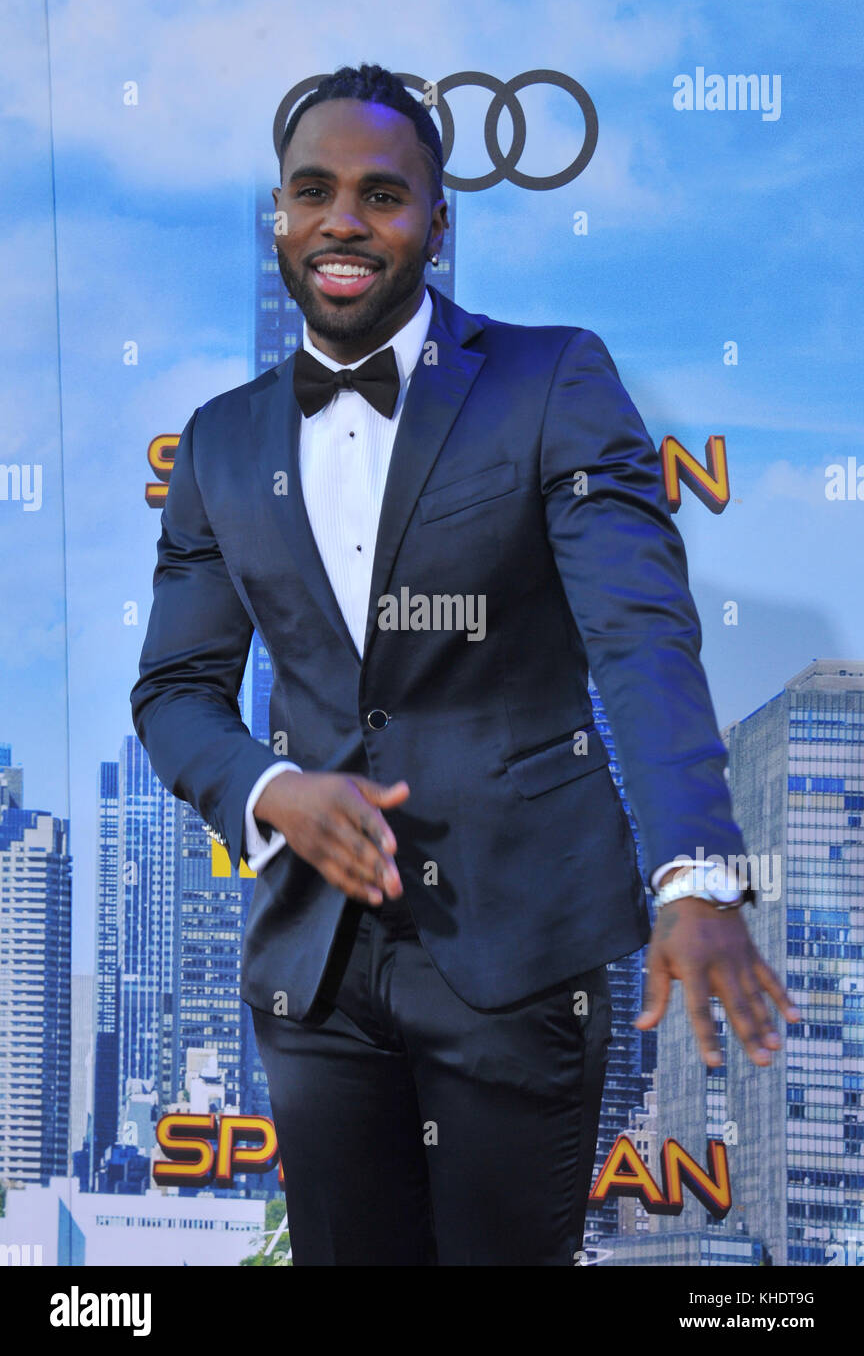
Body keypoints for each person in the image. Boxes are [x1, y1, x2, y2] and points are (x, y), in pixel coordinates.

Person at [131, 62, 798, 1266]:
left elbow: (638, 631)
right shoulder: (221, 441)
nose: (344, 219)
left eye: (383, 194)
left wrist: (693, 873)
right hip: (316, 966)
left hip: (520, 946)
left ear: (439, 224)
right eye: (313, 190)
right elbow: (175, 693)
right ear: (278, 216)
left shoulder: (554, 380)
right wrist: (273, 792)